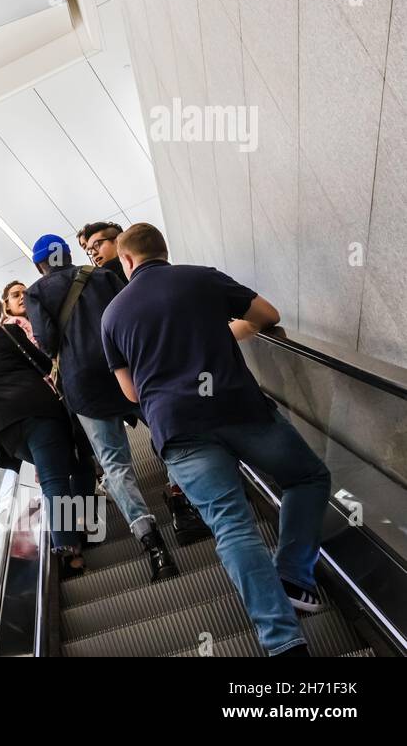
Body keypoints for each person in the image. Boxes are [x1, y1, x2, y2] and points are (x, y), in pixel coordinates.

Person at [102, 223, 331, 656]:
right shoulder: (200, 277)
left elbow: (130, 393)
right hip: (238, 407)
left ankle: (284, 644)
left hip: (176, 428)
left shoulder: (112, 315)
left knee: (232, 527)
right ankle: (294, 576)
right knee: (308, 478)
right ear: (164, 251)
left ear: (126, 260)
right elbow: (268, 316)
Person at [25, 233, 177, 581]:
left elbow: (47, 344)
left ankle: (153, 545)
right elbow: (129, 316)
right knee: (169, 433)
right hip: (126, 369)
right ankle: (181, 498)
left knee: (114, 464)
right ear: (67, 254)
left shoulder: (37, 292)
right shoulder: (103, 276)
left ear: (40, 264)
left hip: (83, 386)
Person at [82, 219, 211, 544]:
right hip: (132, 376)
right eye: (88, 249)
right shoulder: (98, 283)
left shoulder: (131, 278)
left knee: (162, 438)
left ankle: (176, 512)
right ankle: (181, 507)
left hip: (141, 376)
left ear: (121, 242)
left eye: (98, 244)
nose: (93, 252)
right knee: (166, 436)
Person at [0, 293, 95, 575]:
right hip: (38, 414)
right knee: (55, 480)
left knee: (64, 470)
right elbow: (43, 364)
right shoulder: (8, 332)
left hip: (8, 432)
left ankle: (81, 526)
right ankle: (71, 552)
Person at [0, 280, 38, 347]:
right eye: (16, 295)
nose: (23, 297)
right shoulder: (11, 326)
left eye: (26, 294)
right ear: (7, 305)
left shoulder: (37, 318)